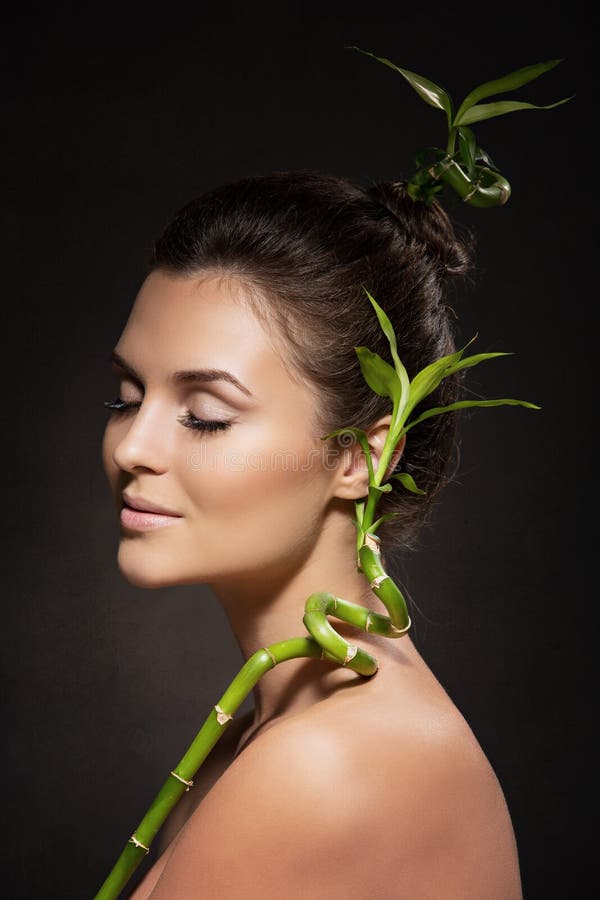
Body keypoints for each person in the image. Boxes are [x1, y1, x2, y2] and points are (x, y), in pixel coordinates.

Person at [101, 169, 523, 899]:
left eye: (204, 413)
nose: (133, 446)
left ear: (362, 456)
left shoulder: (329, 763)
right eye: (126, 397)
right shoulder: (288, 714)